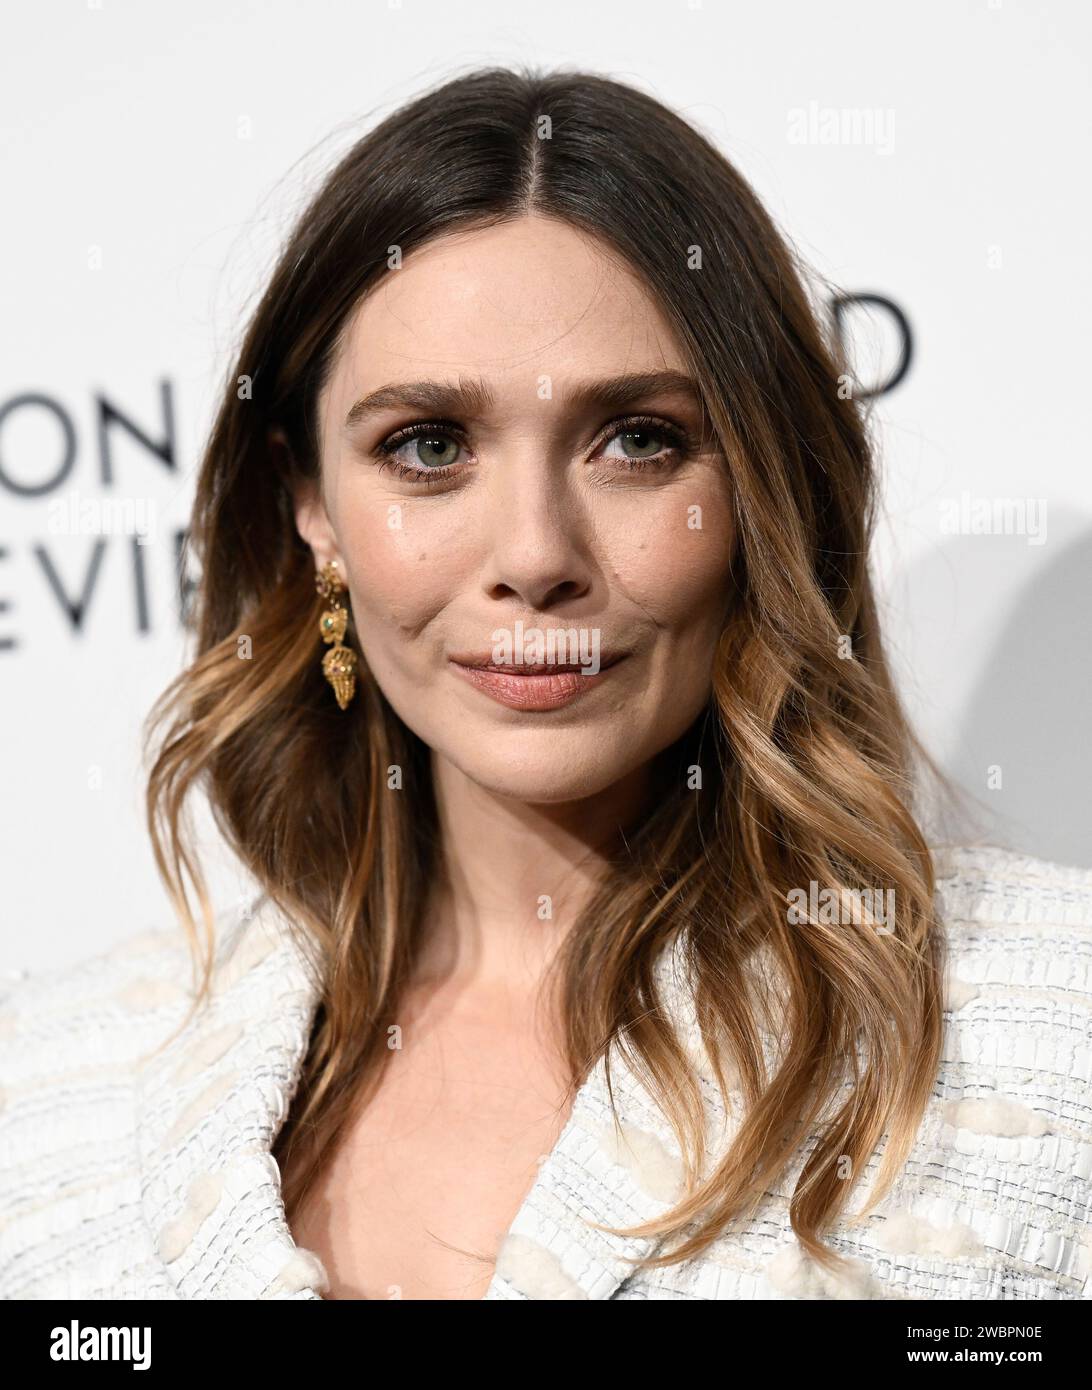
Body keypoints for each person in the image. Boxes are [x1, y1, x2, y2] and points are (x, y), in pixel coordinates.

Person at [3, 65, 1090, 1302]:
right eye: (427, 447)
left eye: (638, 439)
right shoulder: (49, 1108)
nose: (534, 555)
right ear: (309, 502)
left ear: (762, 488)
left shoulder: (1051, 1036)